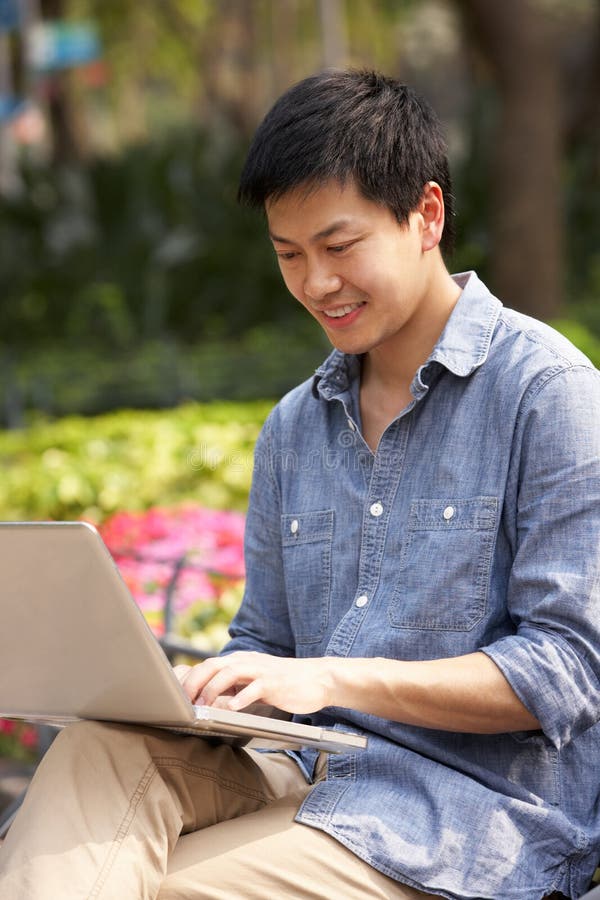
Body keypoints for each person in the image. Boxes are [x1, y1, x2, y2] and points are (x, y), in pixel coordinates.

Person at [1, 69, 599, 900]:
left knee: (149, 886)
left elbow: (566, 670)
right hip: (306, 774)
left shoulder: (546, 393)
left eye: (339, 246)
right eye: (289, 254)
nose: (316, 283)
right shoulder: (293, 428)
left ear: (426, 215)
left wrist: (330, 677)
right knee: (97, 751)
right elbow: (267, 645)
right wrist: (211, 688)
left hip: (462, 818)